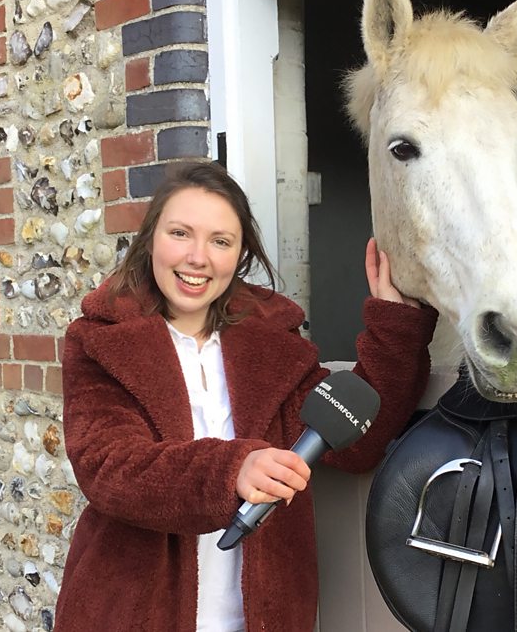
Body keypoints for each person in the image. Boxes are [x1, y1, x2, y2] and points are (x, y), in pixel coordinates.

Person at [53, 161, 437, 632]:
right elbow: (109, 467)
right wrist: (232, 470)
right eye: (180, 233)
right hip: (131, 611)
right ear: (151, 239)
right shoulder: (102, 340)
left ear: (240, 255)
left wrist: (395, 327)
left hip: (260, 616)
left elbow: (353, 440)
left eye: (220, 241)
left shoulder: (273, 345)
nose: (198, 257)